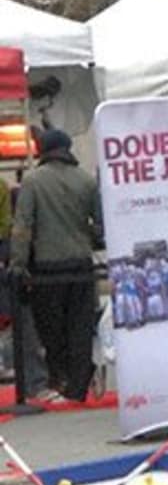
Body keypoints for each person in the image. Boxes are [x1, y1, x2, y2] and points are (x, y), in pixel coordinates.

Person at [10, 129, 101, 404]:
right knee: (80, 327)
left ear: (42, 150)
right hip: (82, 265)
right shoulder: (86, 181)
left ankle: (58, 379)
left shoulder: (33, 181)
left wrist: (18, 261)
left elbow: (23, 225)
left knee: (51, 329)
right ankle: (79, 385)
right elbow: (98, 226)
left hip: (47, 268)